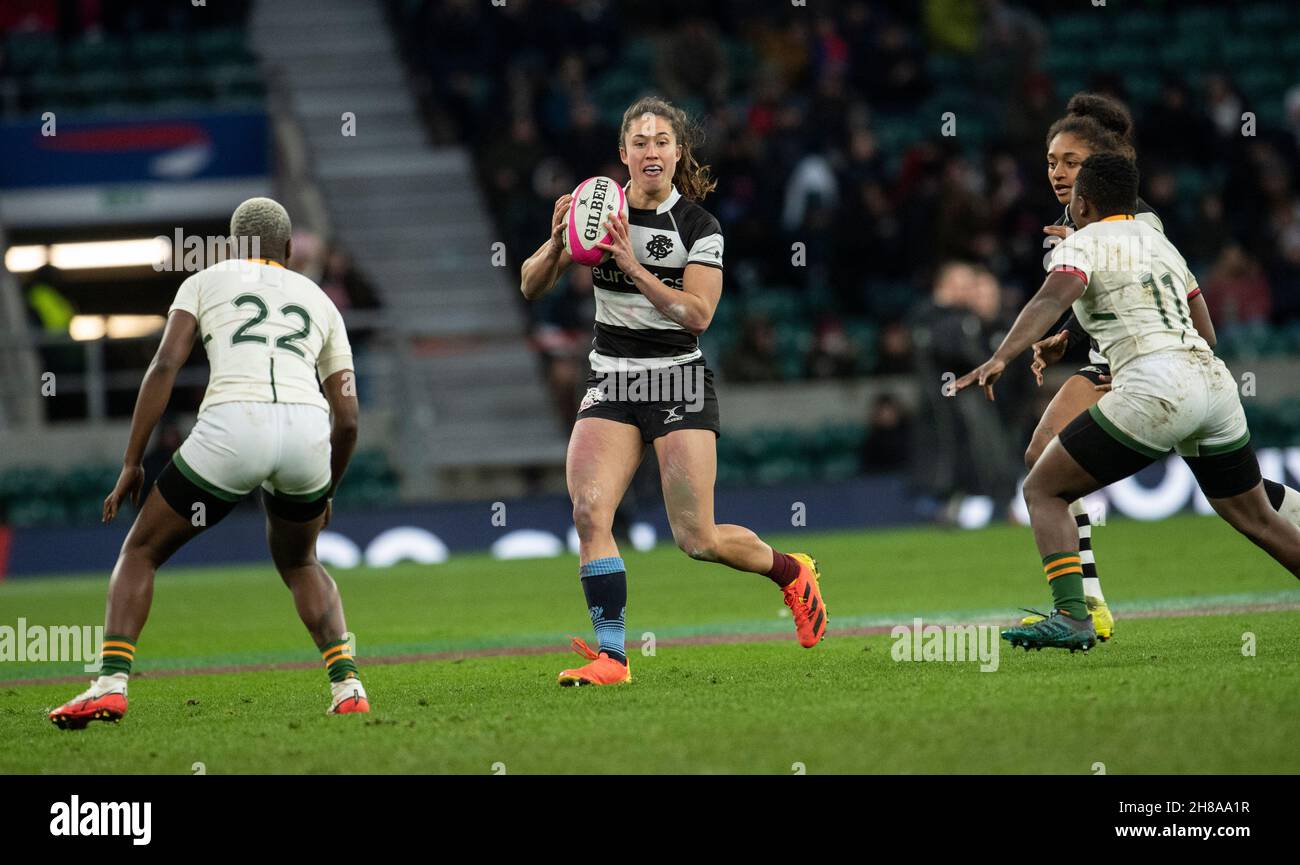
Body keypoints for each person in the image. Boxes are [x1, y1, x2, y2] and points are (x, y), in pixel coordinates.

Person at [519, 96, 828, 687]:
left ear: (677, 152)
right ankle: (612, 657)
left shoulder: (699, 227)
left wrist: (630, 265)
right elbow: (531, 286)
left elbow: (698, 314)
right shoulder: (598, 210)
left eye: (662, 141)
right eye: (640, 142)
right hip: (610, 375)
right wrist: (560, 240)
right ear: (624, 154)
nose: (651, 151)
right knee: (589, 510)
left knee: (698, 539)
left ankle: (792, 570)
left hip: (677, 377)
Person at [956, 154, 1300, 651]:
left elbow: (1050, 300)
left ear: (1085, 201)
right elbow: (1207, 330)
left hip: (1155, 384)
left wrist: (1001, 355)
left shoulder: (1083, 242)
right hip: (1213, 382)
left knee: (1042, 489)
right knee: (1257, 519)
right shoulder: (1160, 242)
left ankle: (1074, 615)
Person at [49, 198, 367, 728]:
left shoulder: (208, 278)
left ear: (231, 244)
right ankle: (349, 685)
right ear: (288, 250)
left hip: (231, 426)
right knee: (301, 562)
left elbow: (166, 363)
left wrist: (133, 460)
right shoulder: (321, 301)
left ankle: (109, 685)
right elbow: (350, 419)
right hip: (308, 432)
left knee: (142, 550)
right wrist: (325, 489)